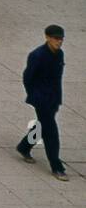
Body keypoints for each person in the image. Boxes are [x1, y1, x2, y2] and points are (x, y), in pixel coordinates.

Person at [16, 25, 69, 181]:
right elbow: (27, 77)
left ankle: (24, 147)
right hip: (41, 99)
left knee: (42, 126)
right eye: (55, 38)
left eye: (61, 39)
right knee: (51, 132)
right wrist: (34, 95)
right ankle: (56, 166)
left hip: (53, 98)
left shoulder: (59, 55)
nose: (59, 42)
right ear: (47, 37)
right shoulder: (37, 55)